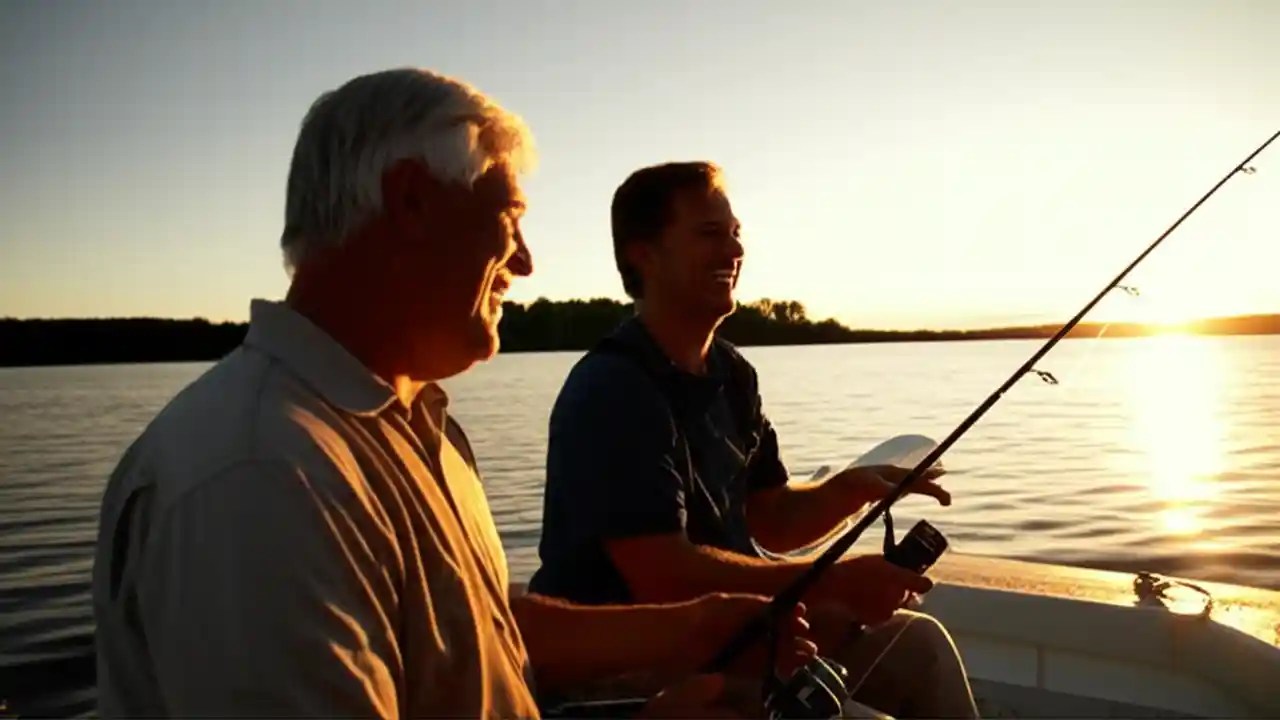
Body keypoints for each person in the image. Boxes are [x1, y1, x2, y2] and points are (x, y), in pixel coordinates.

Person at [89, 71, 816, 719]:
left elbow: (475, 629)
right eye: (510, 218)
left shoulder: (409, 425)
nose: (526, 261)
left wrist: (695, 627)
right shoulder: (262, 479)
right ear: (410, 201)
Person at [528, 161, 981, 718]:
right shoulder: (612, 390)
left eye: (736, 234)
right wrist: (829, 585)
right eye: (709, 234)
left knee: (922, 650)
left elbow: (771, 518)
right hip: (624, 669)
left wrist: (853, 489)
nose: (733, 251)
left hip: (742, 633)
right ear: (642, 254)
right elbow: (664, 577)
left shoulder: (732, 374)